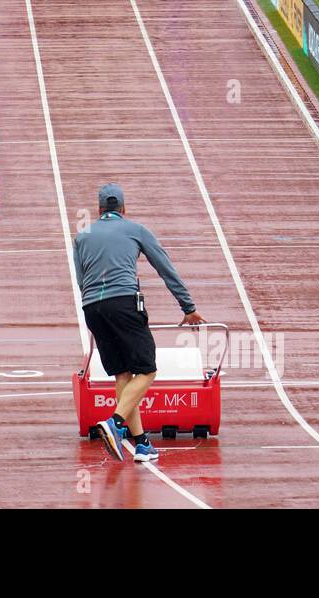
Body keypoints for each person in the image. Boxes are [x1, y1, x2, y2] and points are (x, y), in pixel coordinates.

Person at [73, 183, 204, 463]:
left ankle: (142, 444)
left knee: (123, 374)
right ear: (124, 209)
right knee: (147, 370)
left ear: (99, 210)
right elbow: (165, 268)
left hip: (92, 307)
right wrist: (188, 307)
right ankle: (116, 423)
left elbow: (81, 280)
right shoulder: (136, 230)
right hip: (124, 304)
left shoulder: (82, 236)